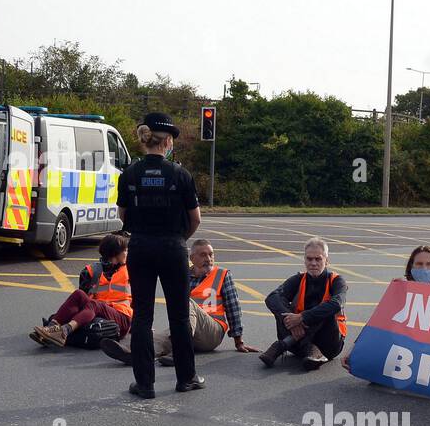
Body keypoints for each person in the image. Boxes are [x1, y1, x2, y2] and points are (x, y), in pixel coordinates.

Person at [119, 112, 204, 398]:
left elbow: (123, 216)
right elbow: (195, 218)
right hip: (172, 247)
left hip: (140, 247)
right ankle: (186, 378)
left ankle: (145, 384)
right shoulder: (181, 174)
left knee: (142, 316)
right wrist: (180, 240)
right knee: (179, 315)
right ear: (167, 141)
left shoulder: (129, 173)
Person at [101, 238, 261, 365]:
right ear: (192, 258)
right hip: (188, 330)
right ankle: (134, 353)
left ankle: (179, 353)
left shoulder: (223, 274)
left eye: (211, 254)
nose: (208, 259)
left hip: (212, 331)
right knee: (157, 337)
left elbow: (233, 307)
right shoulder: (184, 276)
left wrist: (238, 341)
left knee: (186, 302)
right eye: (203, 255)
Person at [343, 244, 430, 372]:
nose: (424, 269)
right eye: (419, 264)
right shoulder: (401, 289)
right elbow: (378, 322)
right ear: (411, 267)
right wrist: (353, 350)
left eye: (429, 264)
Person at [261, 236, 348, 370]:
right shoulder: (298, 279)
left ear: (327, 260)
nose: (313, 263)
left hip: (329, 344)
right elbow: (272, 297)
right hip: (297, 338)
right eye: (309, 259)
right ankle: (310, 349)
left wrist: (302, 317)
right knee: (280, 306)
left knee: (327, 308)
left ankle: (281, 346)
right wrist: (291, 321)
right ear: (304, 260)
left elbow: (337, 303)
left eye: (318, 259)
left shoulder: (337, 281)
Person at [32, 233, 133, 347]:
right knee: (78, 294)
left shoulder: (131, 271)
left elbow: (138, 301)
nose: (127, 253)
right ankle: (50, 328)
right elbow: (81, 303)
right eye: (125, 250)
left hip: (122, 317)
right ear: (115, 253)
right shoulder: (90, 271)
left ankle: (64, 331)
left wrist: (142, 326)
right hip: (99, 313)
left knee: (94, 304)